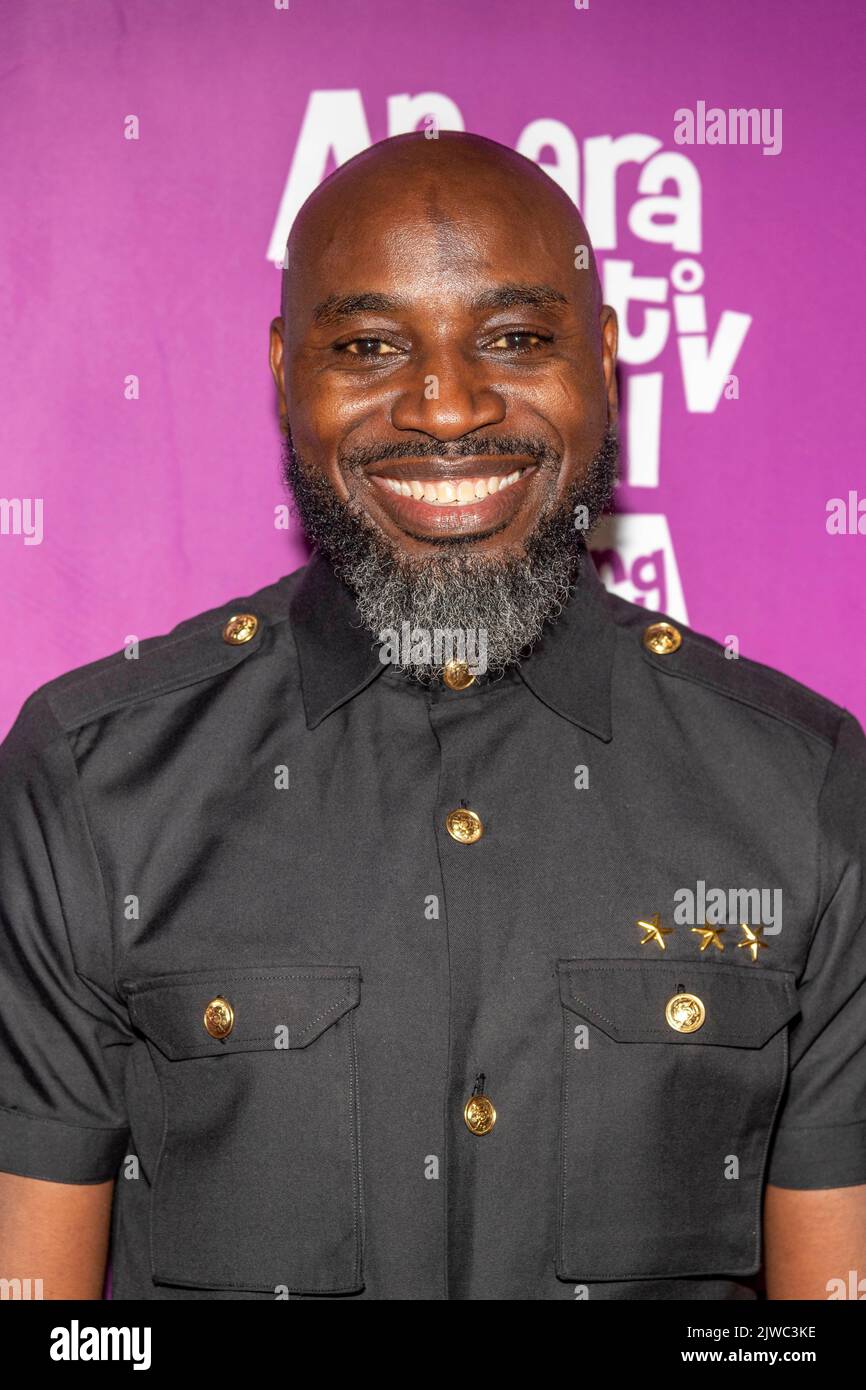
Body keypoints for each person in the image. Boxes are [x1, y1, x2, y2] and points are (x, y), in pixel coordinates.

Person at [1, 132, 864, 1301]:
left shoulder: (799, 785)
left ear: (603, 359)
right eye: (366, 345)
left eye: (515, 339)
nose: (448, 408)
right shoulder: (92, 778)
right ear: (284, 369)